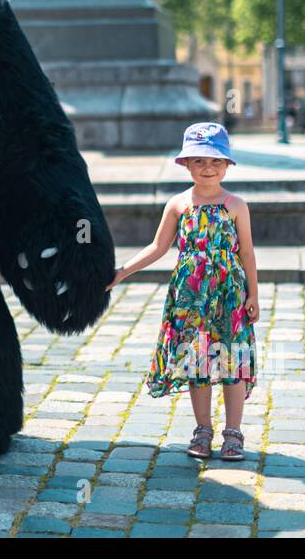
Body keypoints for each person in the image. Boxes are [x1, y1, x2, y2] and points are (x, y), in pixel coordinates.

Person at [108, 122, 260, 461]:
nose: (208, 168)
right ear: (186, 164)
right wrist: (122, 271)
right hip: (190, 298)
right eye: (199, 161)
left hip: (229, 296)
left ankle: (233, 433)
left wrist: (254, 295)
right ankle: (202, 429)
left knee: (233, 360)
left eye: (216, 161)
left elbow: (247, 253)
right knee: (198, 362)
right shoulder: (178, 204)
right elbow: (158, 247)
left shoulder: (236, 205)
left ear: (227, 164)